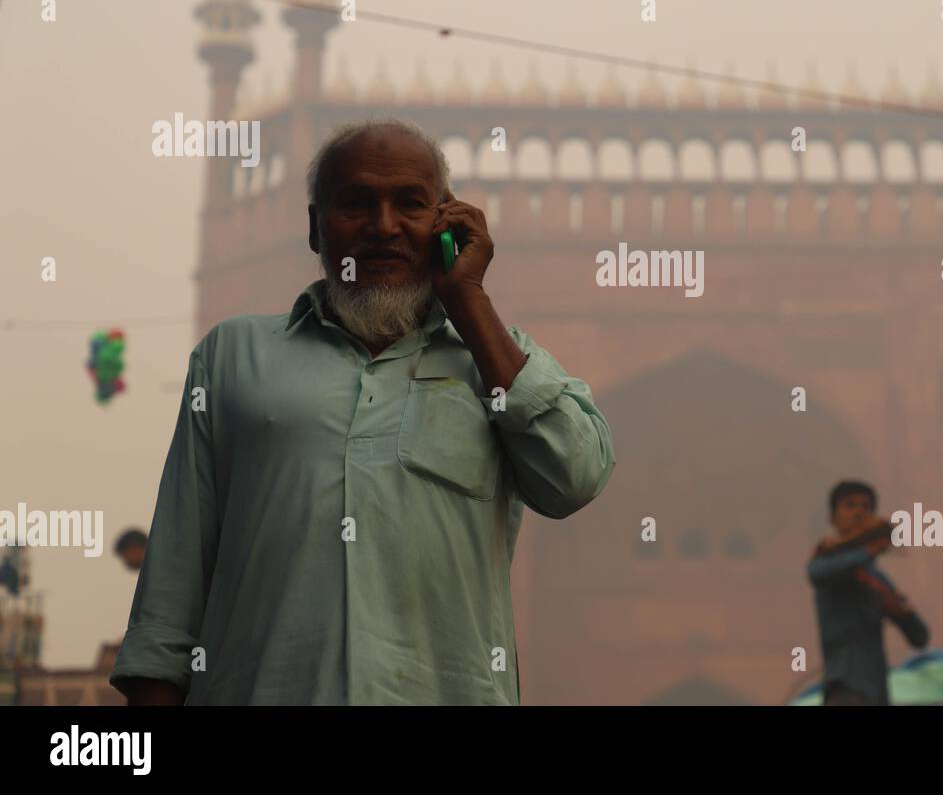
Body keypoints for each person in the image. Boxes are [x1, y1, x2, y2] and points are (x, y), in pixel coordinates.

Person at [109, 118, 616, 705]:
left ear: (446, 222)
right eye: (355, 204)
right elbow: (170, 595)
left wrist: (468, 299)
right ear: (313, 227)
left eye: (410, 204)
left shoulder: (499, 362)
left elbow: (575, 477)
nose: (383, 227)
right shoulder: (232, 358)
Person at [807, 481, 928, 705]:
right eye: (850, 506)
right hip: (844, 688)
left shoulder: (877, 580)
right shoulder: (826, 561)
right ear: (833, 518)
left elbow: (920, 637)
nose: (859, 512)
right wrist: (869, 549)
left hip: (877, 694)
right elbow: (817, 573)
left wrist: (903, 614)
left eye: (866, 507)